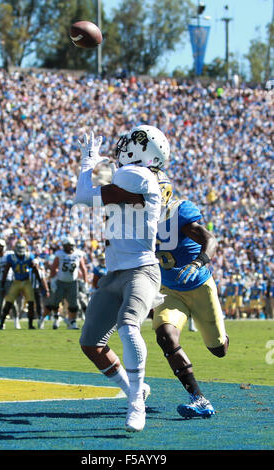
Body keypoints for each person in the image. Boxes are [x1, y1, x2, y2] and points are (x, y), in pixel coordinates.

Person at [75, 126, 168, 432]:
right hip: (114, 273)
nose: (126, 145)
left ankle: (136, 406)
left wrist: (92, 164)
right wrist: (87, 163)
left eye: (136, 141)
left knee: (129, 327)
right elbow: (84, 196)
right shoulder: (129, 180)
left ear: (147, 152)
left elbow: (87, 195)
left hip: (142, 270)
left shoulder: (141, 177)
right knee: (90, 344)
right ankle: (134, 390)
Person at [152, 169, 229, 419]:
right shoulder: (138, 219)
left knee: (219, 349)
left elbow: (210, 239)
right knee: (165, 335)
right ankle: (198, 398)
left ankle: (220, 331)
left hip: (199, 285)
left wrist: (198, 262)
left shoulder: (179, 212)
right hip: (170, 290)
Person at [0, 239, 49, 330]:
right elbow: (5, 272)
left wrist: (40, 283)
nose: (20, 249)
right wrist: (2, 285)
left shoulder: (29, 256)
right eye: (19, 247)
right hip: (17, 281)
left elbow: (35, 270)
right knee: (8, 302)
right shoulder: (11, 257)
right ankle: (1, 323)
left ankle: (30, 324)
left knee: (31, 302)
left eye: (22, 247)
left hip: (27, 282)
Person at [45, 237, 87, 330]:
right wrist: (52, 280)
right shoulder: (59, 254)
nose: (66, 247)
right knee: (56, 302)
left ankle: (73, 322)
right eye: (65, 246)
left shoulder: (78, 254)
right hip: (60, 281)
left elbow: (83, 268)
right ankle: (56, 319)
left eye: (67, 246)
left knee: (73, 304)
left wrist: (85, 282)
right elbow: (53, 268)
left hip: (73, 282)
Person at [0, 239, 20, 328]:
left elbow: (16, 266)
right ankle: (2, 322)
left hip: (9, 280)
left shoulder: (9, 255)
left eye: (0, 246)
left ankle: (16, 320)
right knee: (0, 303)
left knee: (12, 302)